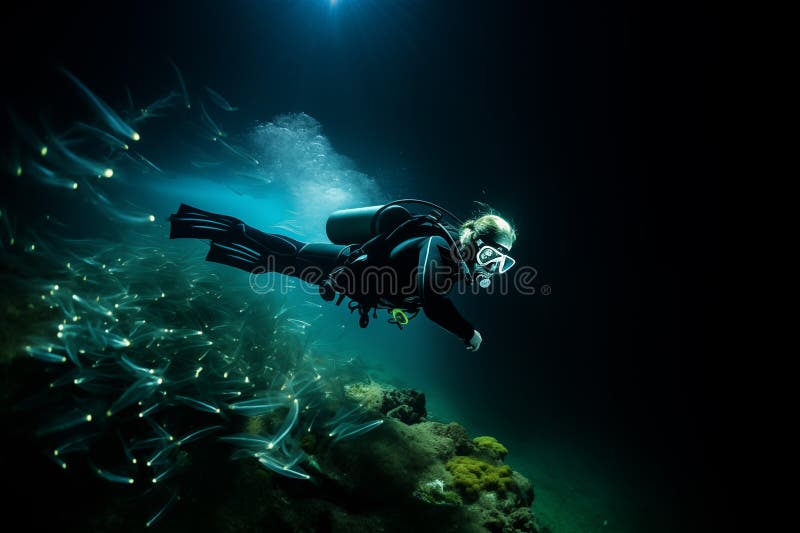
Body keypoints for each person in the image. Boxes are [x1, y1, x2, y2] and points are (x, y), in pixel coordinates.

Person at [169, 200, 517, 352]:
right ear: (472, 240)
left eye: (500, 264)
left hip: (350, 285)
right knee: (287, 251)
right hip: (343, 266)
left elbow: (413, 295)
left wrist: (399, 309)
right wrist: (468, 333)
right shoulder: (437, 245)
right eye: (490, 256)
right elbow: (430, 300)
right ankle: (191, 221)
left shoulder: (452, 268)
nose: (490, 268)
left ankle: (213, 247)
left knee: (276, 262)